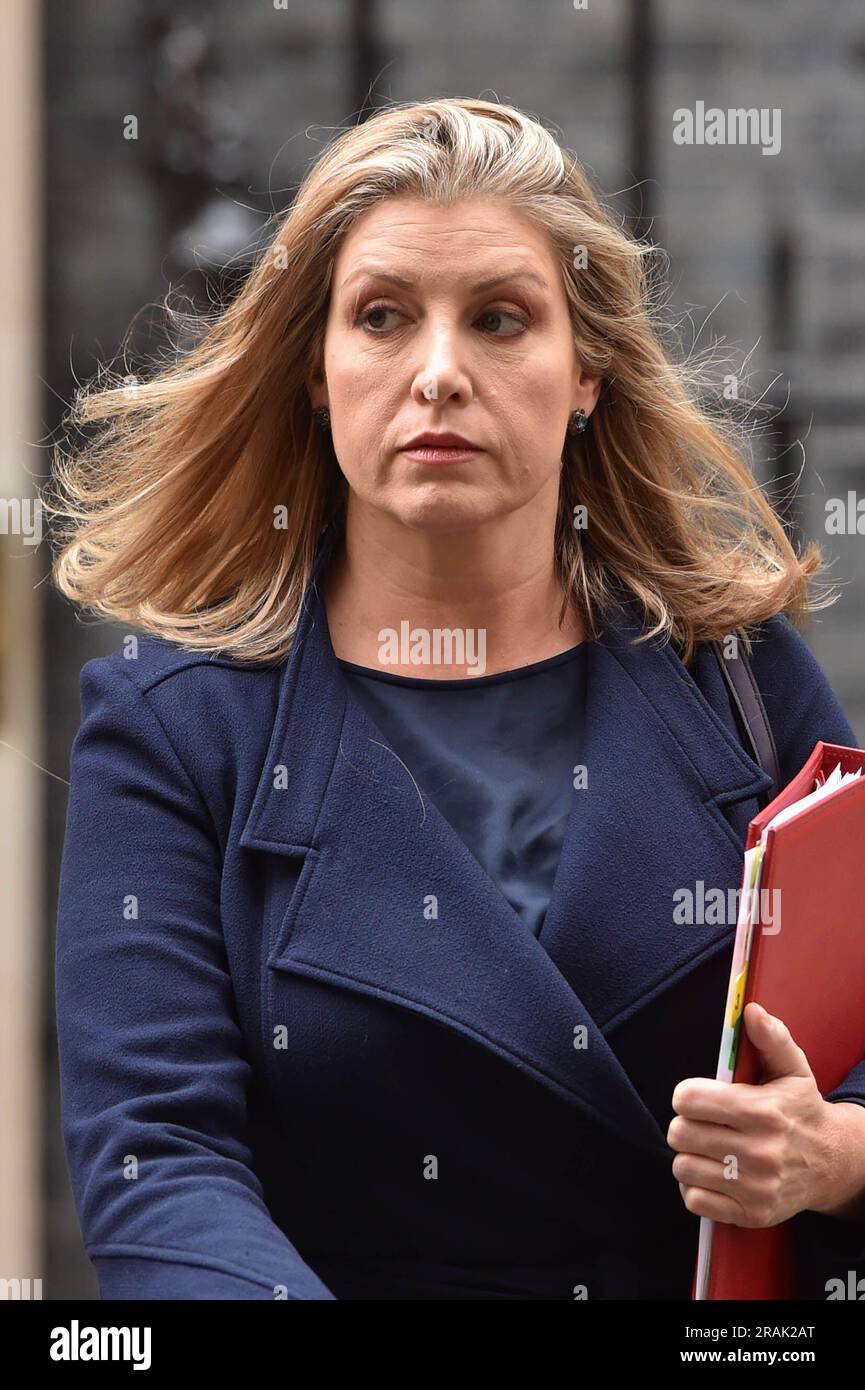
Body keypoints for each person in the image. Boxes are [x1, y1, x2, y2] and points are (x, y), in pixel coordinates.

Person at [49, 97, 865, 1301]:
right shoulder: (173, 726)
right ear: (315, 372)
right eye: (381, 317)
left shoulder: (735, 677)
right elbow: (155, 1164)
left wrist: (833, 1156)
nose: (438, 374)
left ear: (584, 372)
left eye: (499, 318)